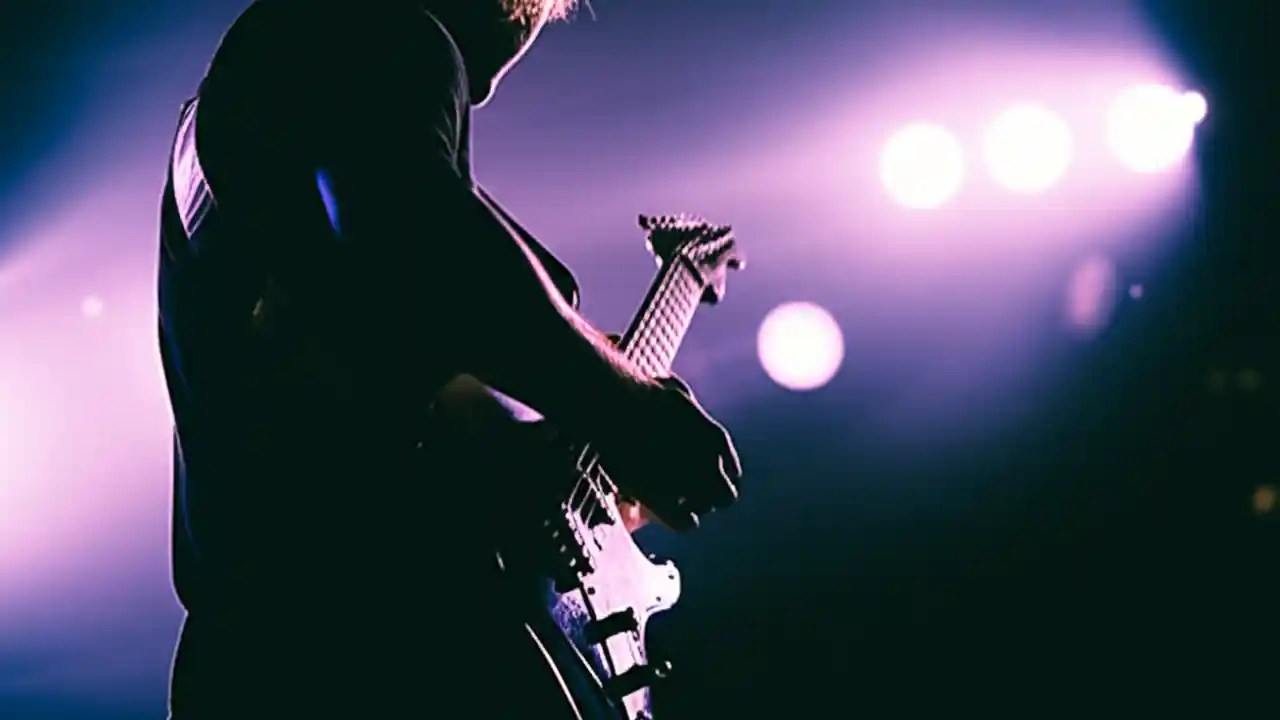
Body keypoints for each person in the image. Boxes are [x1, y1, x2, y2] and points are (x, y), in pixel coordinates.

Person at [156, 0, 743, 716]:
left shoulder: (272, 93)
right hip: (382, 638)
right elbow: (412, 229)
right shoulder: (377, 24)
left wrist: (579, 477)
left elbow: (402, 345)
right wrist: (623, 403)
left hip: (275, 640)